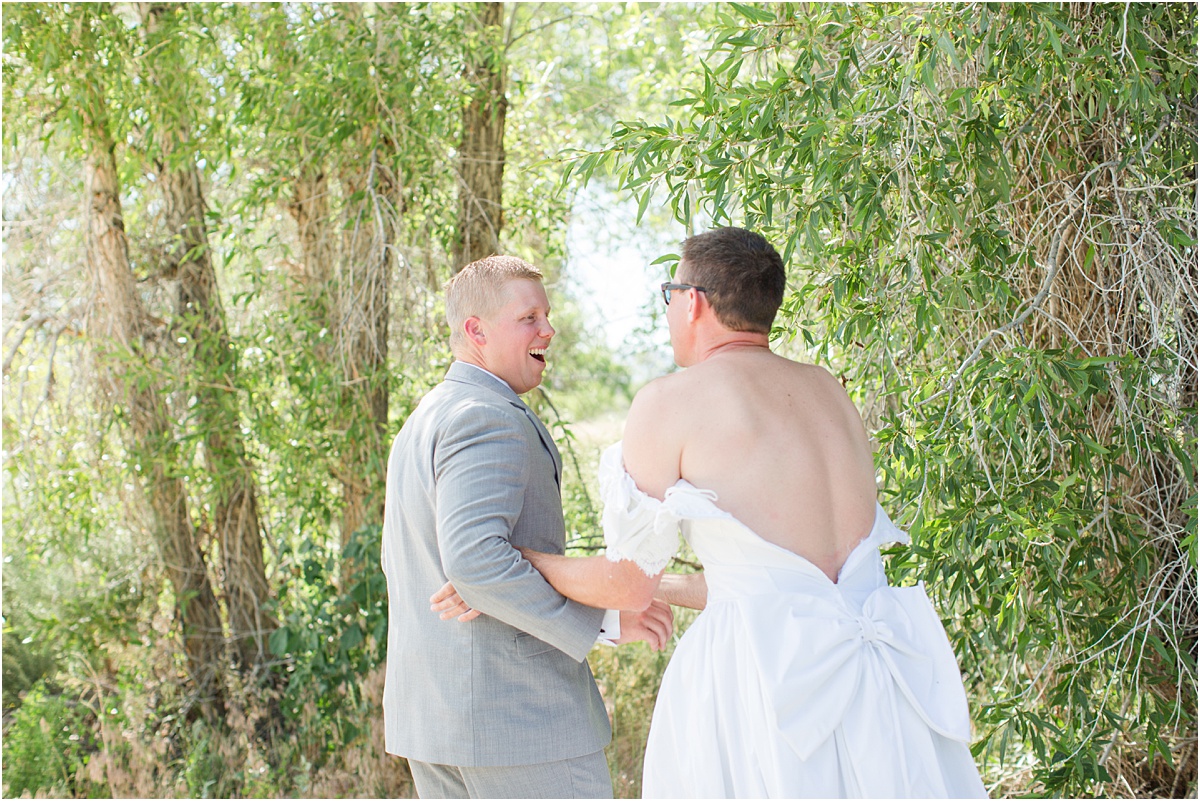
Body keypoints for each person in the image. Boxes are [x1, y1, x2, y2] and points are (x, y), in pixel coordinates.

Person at [438, 228, 987, 797]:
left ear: (693, 300)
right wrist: (667, 588)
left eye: (669, 293)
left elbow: (628, 585)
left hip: (761, 684)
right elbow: (780, 582)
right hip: (880, 686)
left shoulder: (671, 402)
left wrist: (519, 558)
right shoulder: (829, 394)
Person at [381, 255, 674, 800]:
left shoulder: (424, 418)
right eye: (529, 318)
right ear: (476, 331)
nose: (549, 329)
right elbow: (473, 561)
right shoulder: (484, 416)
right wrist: (601, 623)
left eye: (547, 315)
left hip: (435, 723)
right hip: (517, 723)